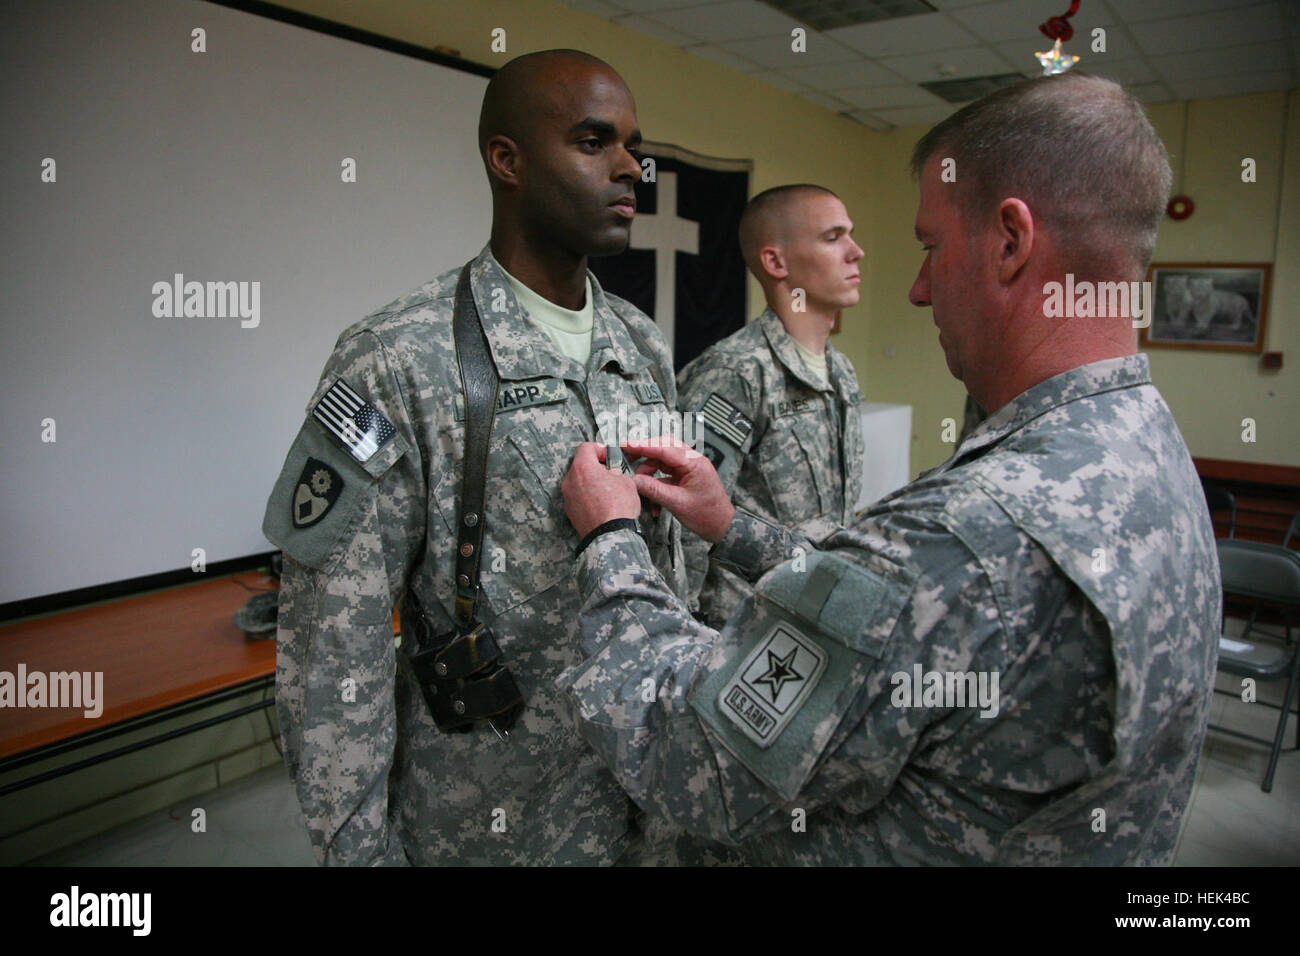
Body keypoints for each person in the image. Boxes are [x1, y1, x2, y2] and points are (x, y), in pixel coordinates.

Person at [557, 72, 1220, 865]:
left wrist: (612, 542)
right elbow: (884, 611)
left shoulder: (967, 533)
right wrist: (734, 526)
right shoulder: (1141, 444)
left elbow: (693, 754)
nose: (912, 285)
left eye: (932, 247)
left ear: (1011, 240)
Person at [262, 49, 685, 865]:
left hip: (644, 805)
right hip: (490, 825)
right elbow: (330, 648)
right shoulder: (395, 358)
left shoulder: (644, 344)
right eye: (595, 142)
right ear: (508, 161)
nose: (633, 168)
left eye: (635, 145)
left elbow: (676, 573)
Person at [677, 185, 866, 627]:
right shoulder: (737, 373)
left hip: (813, 617)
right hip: (740, 630)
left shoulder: (841, 373)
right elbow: (682, 524)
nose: (856, 252)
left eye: (850, 235)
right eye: (833, 237)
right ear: (775, 262)